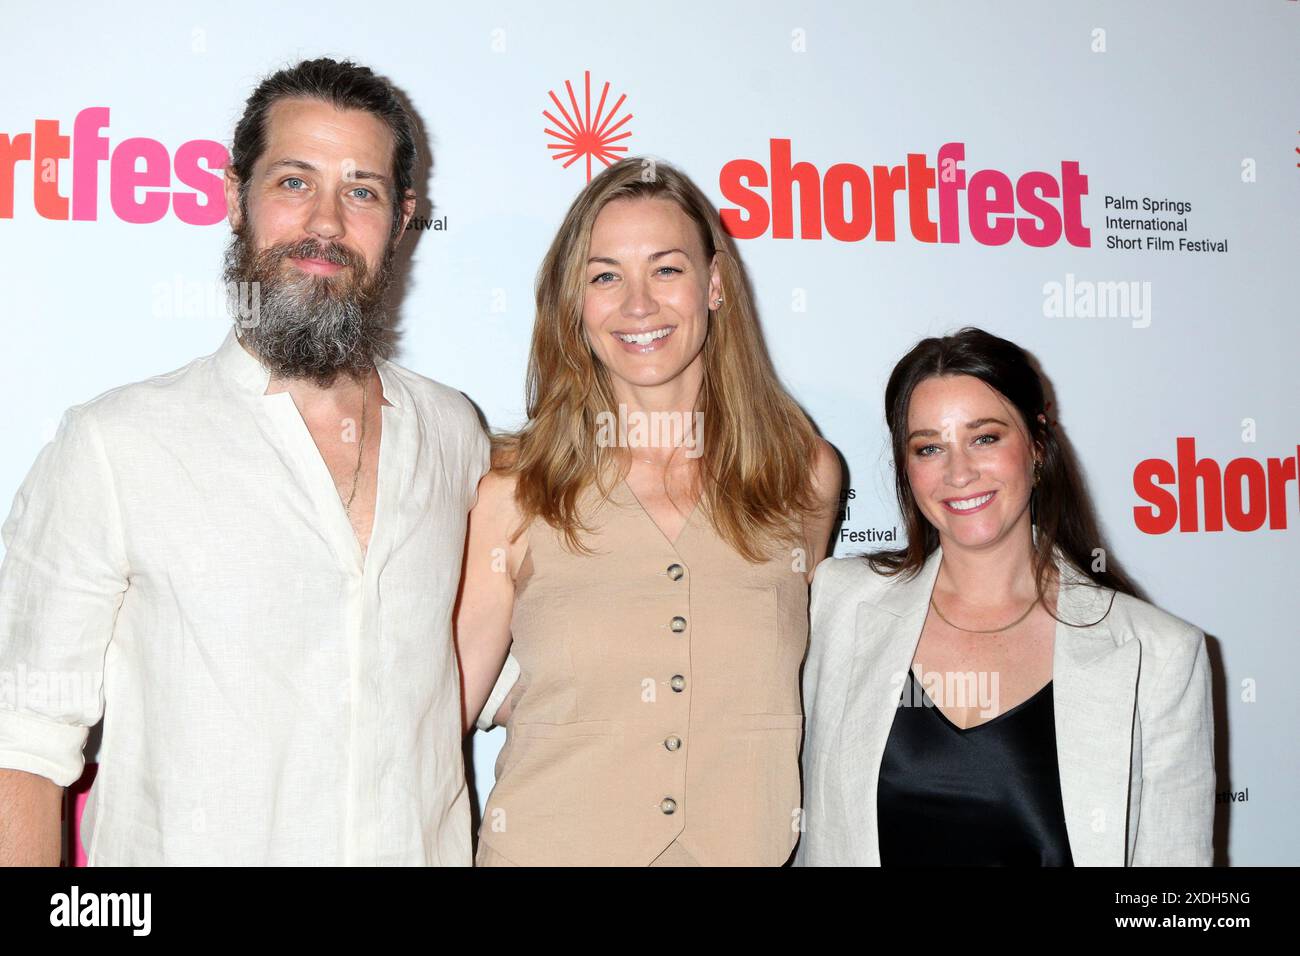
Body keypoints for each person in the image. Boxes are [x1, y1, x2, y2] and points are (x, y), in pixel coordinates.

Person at [0, 58, 490, 865]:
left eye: (361, 190)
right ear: (235, 199)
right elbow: (23, 743)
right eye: (294, 182)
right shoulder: (117, 445)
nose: (326, 223)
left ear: (403, 219)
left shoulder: (454, 434)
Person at [455, 157, 840, 866]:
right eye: (605, 276)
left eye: (666, 269)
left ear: (715, 284)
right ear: (575, 302)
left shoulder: (801, 477)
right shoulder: (514, 490)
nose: (638, 305)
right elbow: (440, 714)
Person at [796, 327, 1214, 866]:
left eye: (985, 438)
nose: (959, 472)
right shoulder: (840, 603)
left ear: (1038, 446)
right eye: (929, 447)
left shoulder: (1157, 655)